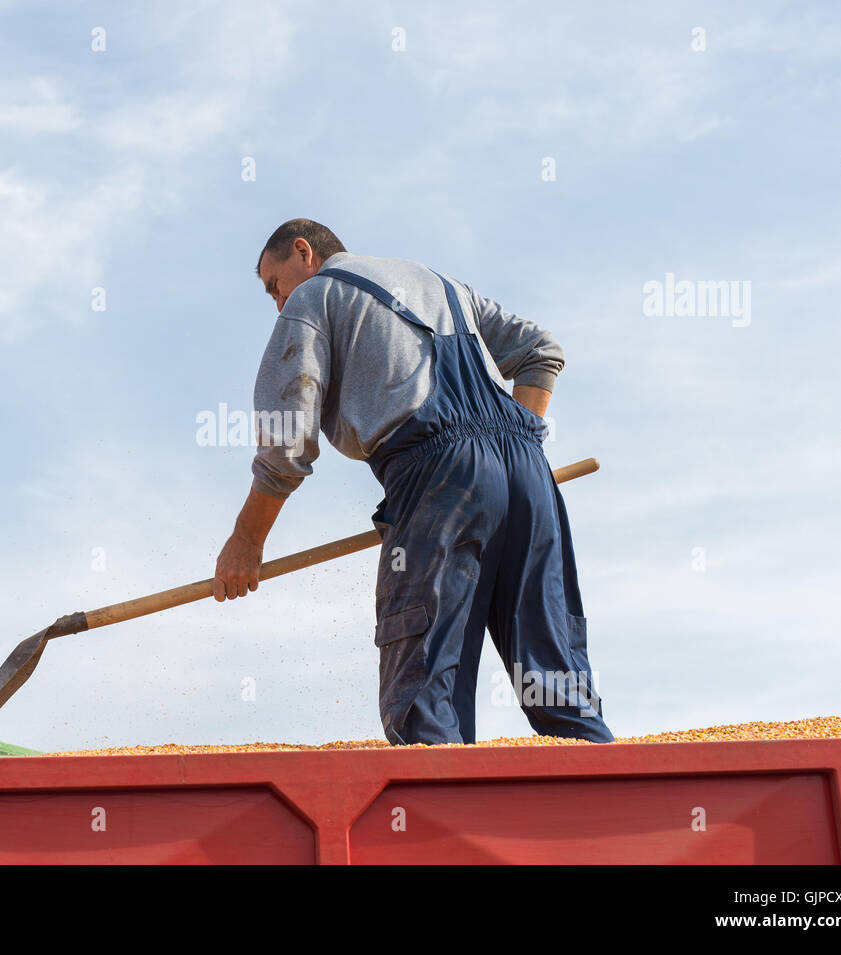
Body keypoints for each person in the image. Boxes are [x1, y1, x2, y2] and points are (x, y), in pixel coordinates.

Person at [213, 218, 613, 745]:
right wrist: (512, 458)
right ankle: (604, 796)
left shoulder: (313, 299)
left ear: (304, 253)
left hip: (435, 476)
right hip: (528, 471)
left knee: (425, 693)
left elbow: (287, 441)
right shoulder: (438, 283)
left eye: (273, 285)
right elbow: (540, 350)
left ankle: (432, 816)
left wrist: (247, 541)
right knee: (555, 673)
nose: (278, 303)